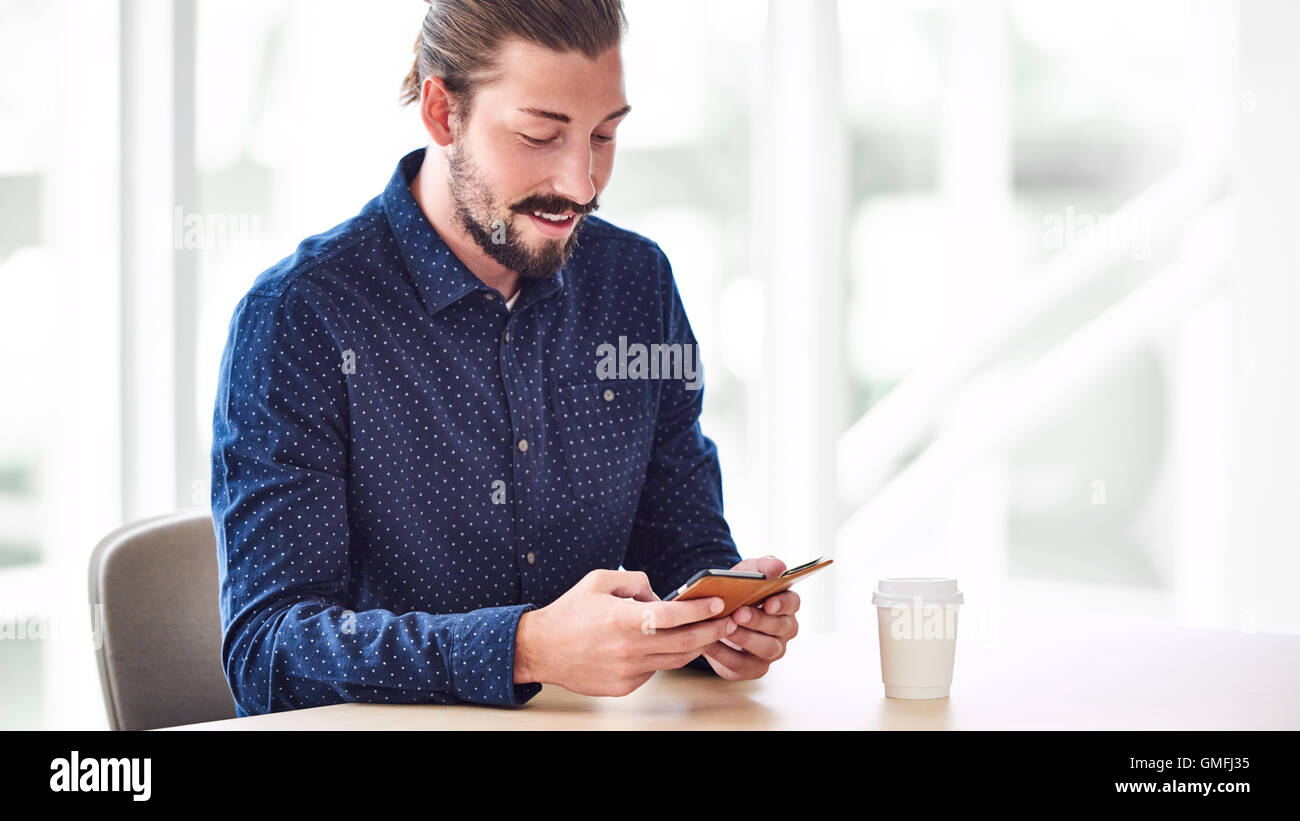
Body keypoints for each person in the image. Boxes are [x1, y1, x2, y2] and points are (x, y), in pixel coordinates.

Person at [210, 0, 799, 717]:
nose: (582, 185)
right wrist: (527, 646)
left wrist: (717, 623)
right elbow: (269, 656)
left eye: (605, 135)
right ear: (441, 111)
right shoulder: (302, 318)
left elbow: (681, 541)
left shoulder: (636, 287)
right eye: (540, 134)